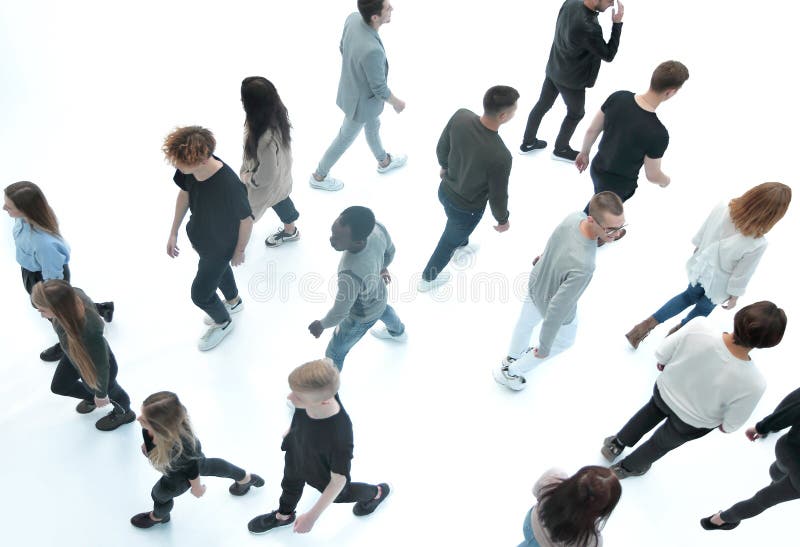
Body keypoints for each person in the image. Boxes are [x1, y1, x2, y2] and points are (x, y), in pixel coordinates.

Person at [602, 302, 786, 479]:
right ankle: (626, 468)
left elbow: (661, 354)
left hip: (665, 392)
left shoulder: (699, 326)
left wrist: (665, 364)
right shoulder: (755, 383)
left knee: (646, 416)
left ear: (740, 316)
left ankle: (615, 445)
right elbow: (730, 425)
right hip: (692, 422)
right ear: (769, 343)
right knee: (660, 444)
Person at [625, 182, 791, 348]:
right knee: (701, 311)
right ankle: (674, 341)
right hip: (720, 285)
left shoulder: (723, 206)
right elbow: (742, 274)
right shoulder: (757, 242)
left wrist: (698, 253)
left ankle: (643, 328)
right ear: (774, 215)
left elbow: (702, 233)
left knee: (686, 297)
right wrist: (734, 296)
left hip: (702, 266)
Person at [494, 192, 624, 391]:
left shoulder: (574, 217)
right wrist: (544, 346)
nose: (616, 235)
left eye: (621, 227)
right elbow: (557, 308)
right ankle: (513, 372)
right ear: (591, 219)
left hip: (537, 282)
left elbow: (553, 241)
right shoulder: (585, 265)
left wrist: (543, 258)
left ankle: (513, 355)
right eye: (611, 229)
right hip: (551, 301)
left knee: (525, 323)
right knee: (563, 341)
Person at [248, 359, 390, 534]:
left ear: (324, 401)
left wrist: (311, 517)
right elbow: (302, 411)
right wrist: (293, 430)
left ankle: (376, 493)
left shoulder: (339, 436)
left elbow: (339, 481)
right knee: (290, 483)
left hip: (321, 470)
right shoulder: (315, 391)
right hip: (297, 449)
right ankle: (283, 515)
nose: (290, 397)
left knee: (341, 495)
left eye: (298, 396)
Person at [418, 85, 518, 292]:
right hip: (466, 209)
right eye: (514, 110)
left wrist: (444, 166)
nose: (515, 113)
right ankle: (428, 278)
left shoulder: (461, 116)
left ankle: (461, 243)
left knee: (454, 228)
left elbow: (441, 146)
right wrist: (503, 219)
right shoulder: (501, 156)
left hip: (444, 191)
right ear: (503, 115)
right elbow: (498, 196)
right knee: (448, 241)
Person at [163, 126, 254, 351]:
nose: (176, 166)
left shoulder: (229, 185)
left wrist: (239, 250)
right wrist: (173, 230)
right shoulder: (188, 171)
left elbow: (247, 220)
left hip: (220, 247)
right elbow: (184, 193)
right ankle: (233, 302)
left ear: (202, 159)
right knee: (219, 271)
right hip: (201, 237)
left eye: (180, 163)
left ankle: (223, 322)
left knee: (201, 294)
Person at [4, 181, 114, 362]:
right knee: (59, 305)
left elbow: (55, 282)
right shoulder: (23, 219)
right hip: (32, 270)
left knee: (59, 314)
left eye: (9, 206)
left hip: (46, 278)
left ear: (25, 209)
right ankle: (102, 308)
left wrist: (51, 305)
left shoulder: (44, 243)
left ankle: (69, 341)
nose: (4, 208)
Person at [310, 0, 406, 191]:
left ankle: (384, 161)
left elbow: (342, 47)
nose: (392, 9)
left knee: (373, 126)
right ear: (375, 17)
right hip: (360, 105)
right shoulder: (372, 50)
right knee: (344, 138)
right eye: (387, 8)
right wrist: (396, 103)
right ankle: (319, 176)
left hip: (354, 94)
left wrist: (355, 71)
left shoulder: (353, 19)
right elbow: (379, 88)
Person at [130, 391, 264, 528]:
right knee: (209, 465)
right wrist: (149, 445)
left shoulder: (182, 447)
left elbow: (192, 470)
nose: (138, 418)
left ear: (162, 427)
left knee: (159, 495)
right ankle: (245, 479)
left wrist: (197, 487)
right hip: (191, 460)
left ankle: (158, 516)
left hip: (179, 475)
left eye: (146, 419)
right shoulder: (151, 428)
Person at [576, 61, 689, 215]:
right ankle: (596, 234)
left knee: (597, 204)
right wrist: (666, 181)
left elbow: (591, 130)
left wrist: (584, 153)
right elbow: (653, 175)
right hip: (618, 185)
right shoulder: (658, 133)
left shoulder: (618, 97)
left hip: (597, 168)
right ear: (670, 92)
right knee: (596, 215)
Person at [520, 0, 624, 161]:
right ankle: (560, 149)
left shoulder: (570, 2)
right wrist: (617, 24)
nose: (611, 5)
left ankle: (527, 142)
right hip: (571, 79)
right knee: (576, 113)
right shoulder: (588, 27)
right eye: (610, 1)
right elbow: (608, 54)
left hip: (554, 67)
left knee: (542, 104)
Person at [308, 206, 405, 371]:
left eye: (337, 238)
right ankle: (399, 333)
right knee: (384, 310)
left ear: (358, 241)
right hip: (380, 295)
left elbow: (340, 312)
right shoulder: (377, 229)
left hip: (360, 316)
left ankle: (328, 392)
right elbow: (390, 251)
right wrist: (382, 267)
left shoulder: (350, 273)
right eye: (332, 233)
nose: (331, 240)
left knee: (334, 352)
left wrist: (322, 324)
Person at [31, 280, 135, 431]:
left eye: (42, 310)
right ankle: (91, 398)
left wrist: (101, 394)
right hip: (75, 355)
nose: (41, 315)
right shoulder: (71, 296)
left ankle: (124, 413)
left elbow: (101, 364)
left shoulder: (89, 332)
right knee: (59, 386)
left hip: (98, 370)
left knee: (114, 393)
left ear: (59, 309)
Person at [701, 386, 800, 531]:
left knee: (777, 473)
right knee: (764, 498)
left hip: (787, 450)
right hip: (793, 463)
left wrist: (764, 427)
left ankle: (719, 519)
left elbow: (792, 407)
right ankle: (717, 521)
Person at [240, 76, 301, 248]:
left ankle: (239, 241)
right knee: (282, 200)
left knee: (245, 214)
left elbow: (266, 175)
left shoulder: (262, 138)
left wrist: (249, 178)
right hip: (281, 179)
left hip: (264, 186)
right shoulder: (278, 115)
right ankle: (291, 230)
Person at [519, 466, 620, 547]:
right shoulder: (592, 541)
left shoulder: (553, 477)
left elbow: (535, 490)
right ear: (604, 510)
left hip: (531, 525)